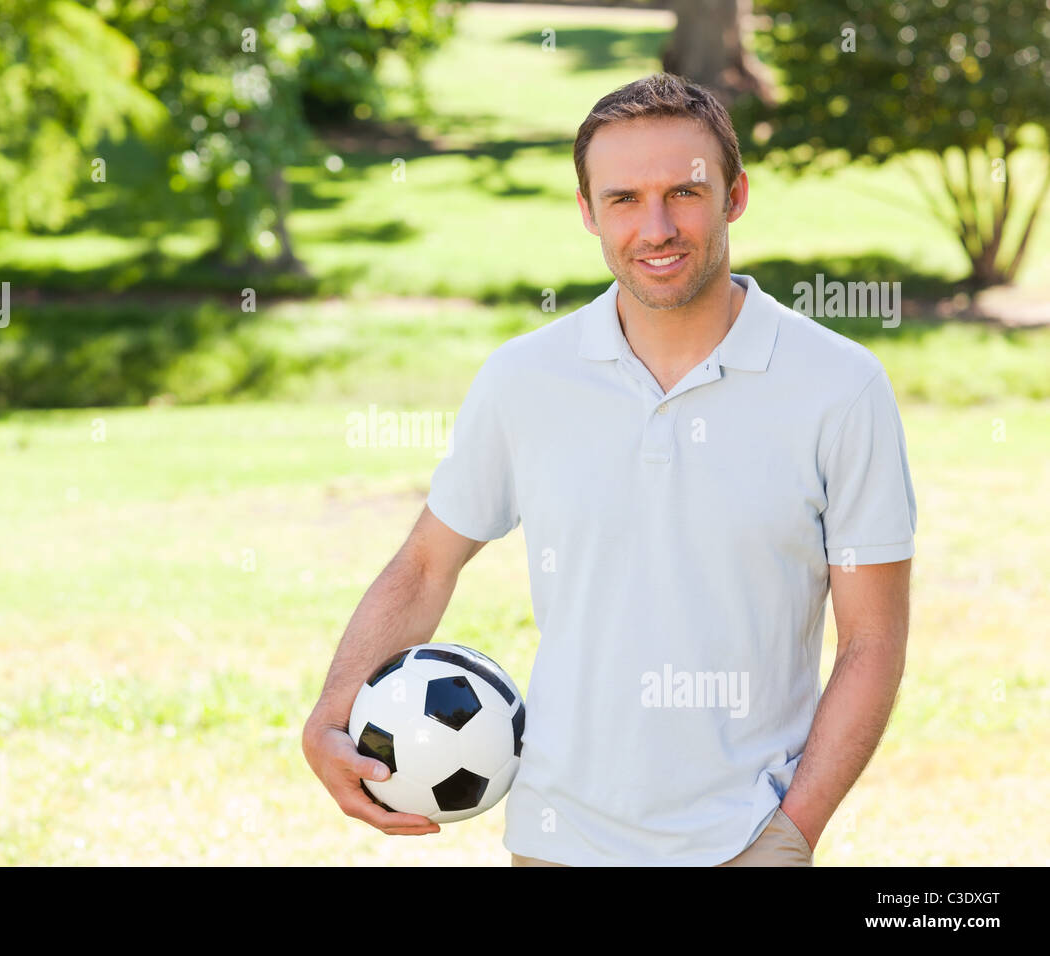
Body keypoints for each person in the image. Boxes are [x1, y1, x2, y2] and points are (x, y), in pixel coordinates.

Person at [302, 72, 916, 866]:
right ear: (589, 213)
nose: (655, 227)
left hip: (745, 839)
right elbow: (425, 567)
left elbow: (872, 641)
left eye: (684, 194)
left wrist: (791, 832)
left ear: (735, 195)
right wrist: (331, 710)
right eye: (624, 200)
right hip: (559, 836)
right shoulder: (526, 378)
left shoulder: (840, 385)